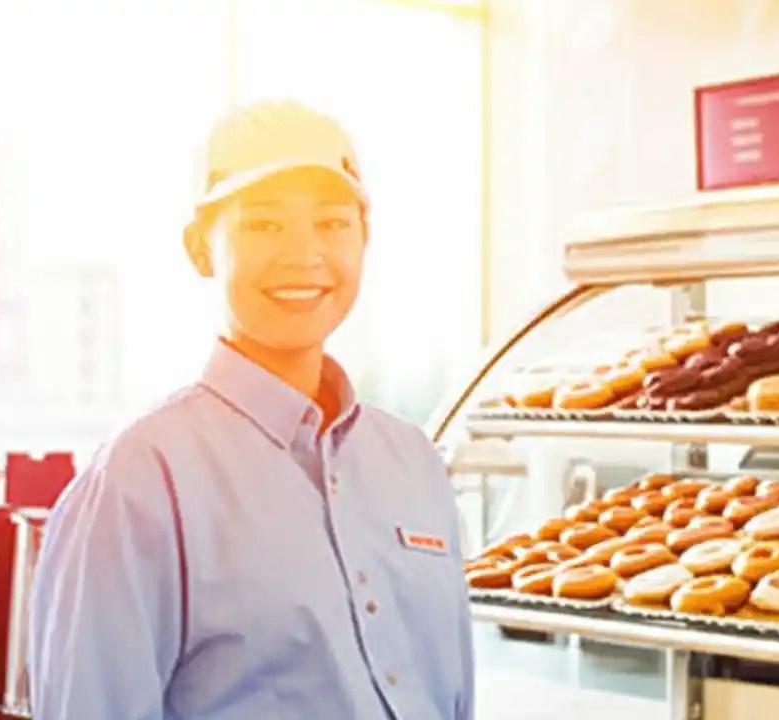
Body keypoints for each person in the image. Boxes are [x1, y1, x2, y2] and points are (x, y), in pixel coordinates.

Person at [28, 100, 474, 720]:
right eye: (264, 224)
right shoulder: (140, 480)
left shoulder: (414, 463)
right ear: (200, 249)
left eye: (332, 223)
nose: (305, 253)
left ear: (365, 238)